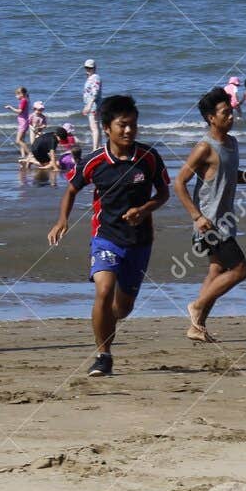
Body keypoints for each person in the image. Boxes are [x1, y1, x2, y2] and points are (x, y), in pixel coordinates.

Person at [47, 95, 169, 377]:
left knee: (122, 308)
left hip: (139, 241)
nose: (129, 130)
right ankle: (103, 356)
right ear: (106, 128)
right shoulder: (94, 161)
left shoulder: (149, 157)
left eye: (133, 125)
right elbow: (71, 190)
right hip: (106, 237)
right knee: (103, 290)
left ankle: (105, 322)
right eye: (122, 125)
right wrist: (62, 220)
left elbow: (163, 193)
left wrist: (144, 209)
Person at [172, 86, 246, 342]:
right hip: (210, 224)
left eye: (232, 111)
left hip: (225, 221)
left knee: (216, 271)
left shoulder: (232, 143)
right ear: (211, 118)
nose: (231, 116)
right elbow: (179, 183)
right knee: (240, 269)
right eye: (225, 113)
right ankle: (197, 306)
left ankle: (196, 327)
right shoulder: (204, 147)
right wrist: (197, 217)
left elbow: (234, 177)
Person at [81, 58, 102, 149]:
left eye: (90, 68)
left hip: (94, 106)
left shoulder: (95, 77)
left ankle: (95, 148)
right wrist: (87, 105)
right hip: (92, 105)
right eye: (86, 68)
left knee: (94, 128)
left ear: (94, 68)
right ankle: (99, 146)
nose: (88, 70)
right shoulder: (90, 78)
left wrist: (89, 105)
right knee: (96, 126)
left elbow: (95, 92)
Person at [12, 87, 32, 162]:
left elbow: (19, 111)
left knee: (18, 140)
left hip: (23, 123)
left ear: (21, 94)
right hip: (23, 122)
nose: (16, 96)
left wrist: (11, 108)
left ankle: (29, 154)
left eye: (16, 95)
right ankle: (23, 155)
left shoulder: (23, 101)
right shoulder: (25, 100)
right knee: (22, 140)